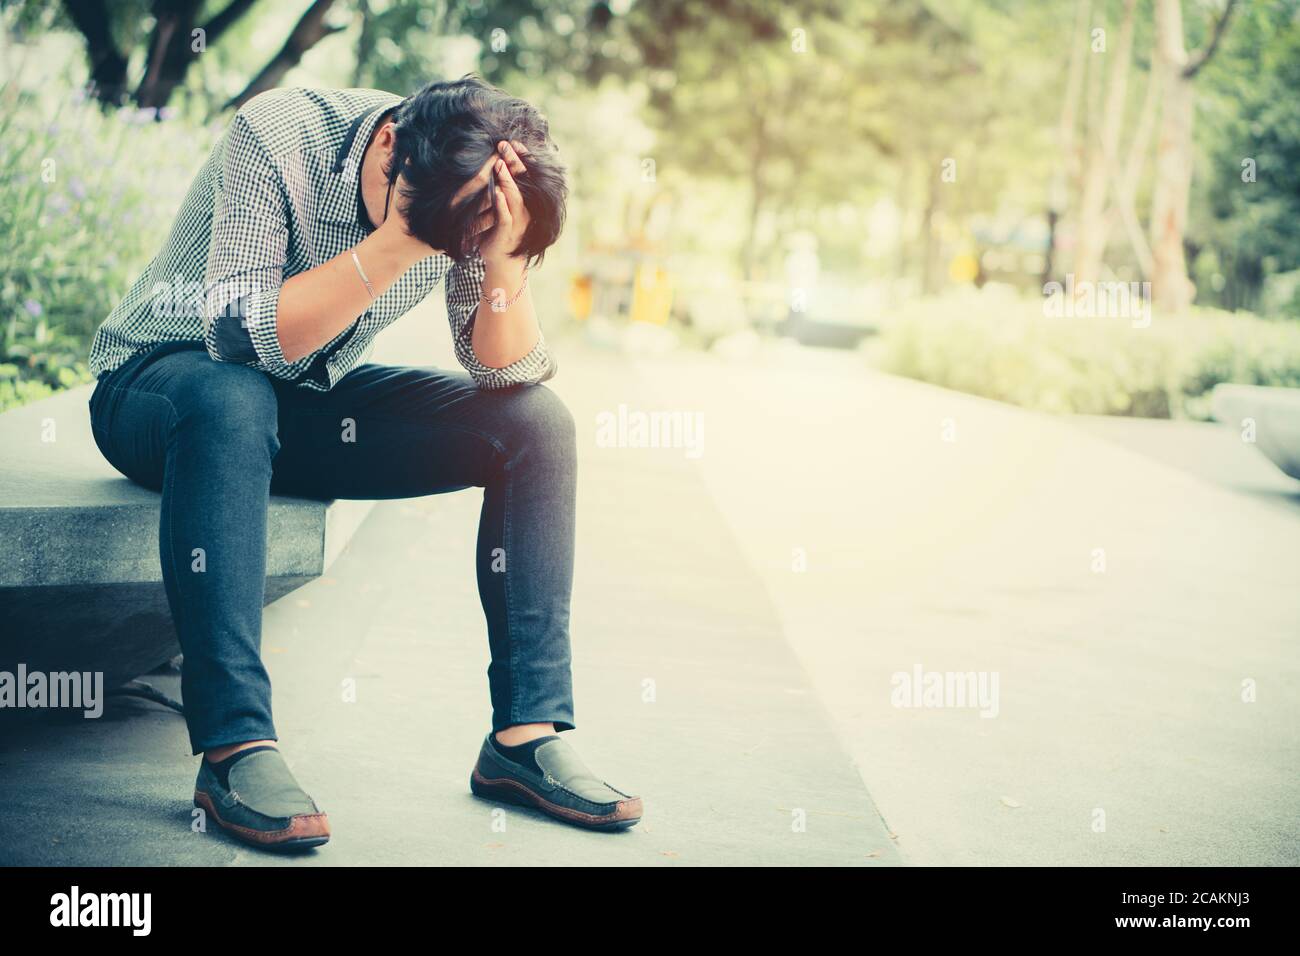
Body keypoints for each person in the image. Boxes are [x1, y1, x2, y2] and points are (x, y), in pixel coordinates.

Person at [86, 76, 642, 849]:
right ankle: (236, 745)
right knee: (232, 397)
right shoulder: (278, 133)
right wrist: (403, 238)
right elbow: (242, 339)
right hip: (161, 387)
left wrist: (503, 265)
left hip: (302, 401)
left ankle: (524, 739)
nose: (444, 248)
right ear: (388, 146)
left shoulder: (461, 179)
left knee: (536, 424)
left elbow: (501, 372)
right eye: (441, 230)